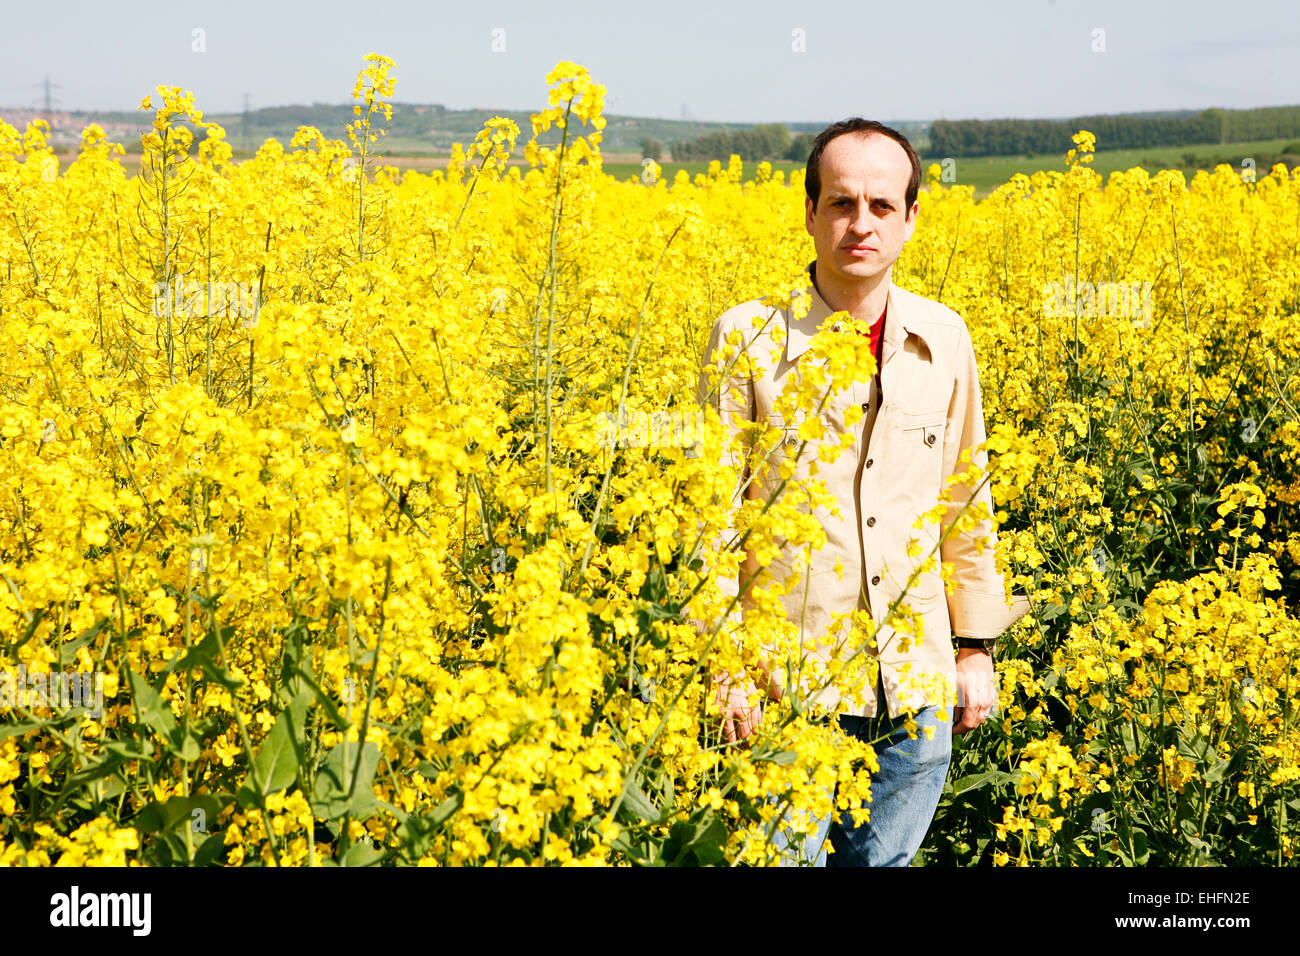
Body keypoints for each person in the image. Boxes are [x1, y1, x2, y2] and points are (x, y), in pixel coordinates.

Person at [695, 118, 1031, 866]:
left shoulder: (946, 337)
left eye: (882, 206)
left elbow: (965, 502)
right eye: (842, 203)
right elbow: (710, 515)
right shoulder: (746, 338)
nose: (861, 224)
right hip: (785, 688)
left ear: (912, 218)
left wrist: (973, 648)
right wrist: (722, 668)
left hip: (912, 684)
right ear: (810, 213)